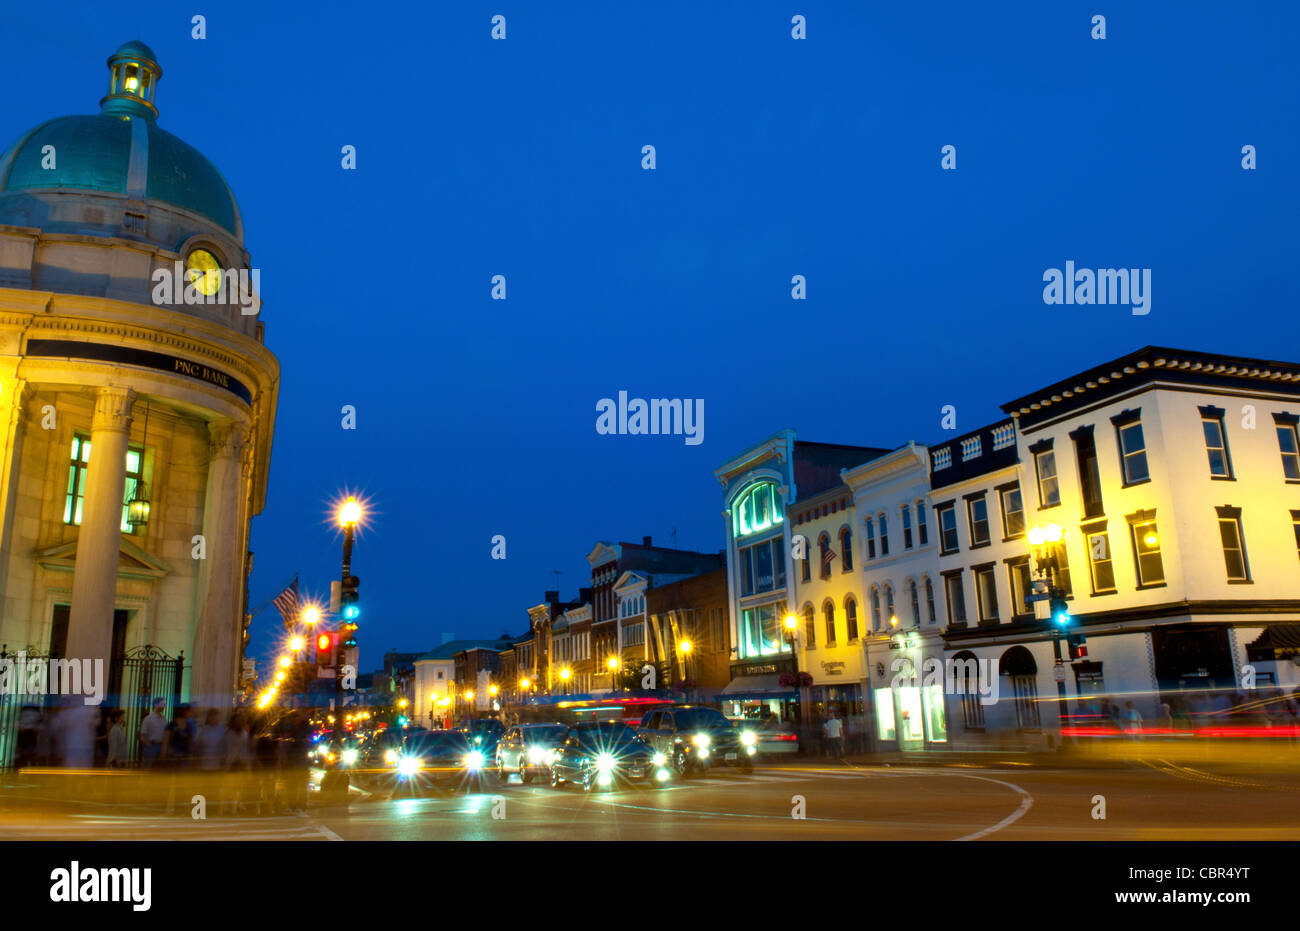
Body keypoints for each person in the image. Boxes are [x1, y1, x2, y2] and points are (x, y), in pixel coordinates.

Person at [139, 698, 168, 767]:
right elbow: (143, 734)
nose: (164, 706)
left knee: (159, 770)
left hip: (160, 746)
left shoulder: (164, 719)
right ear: (156, 704)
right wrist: (148, 745)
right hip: (151, 746)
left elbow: (165, 734)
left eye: (164, 704)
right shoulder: (148, 718)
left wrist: (164, 747)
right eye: (162, 704)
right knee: (148, 769)